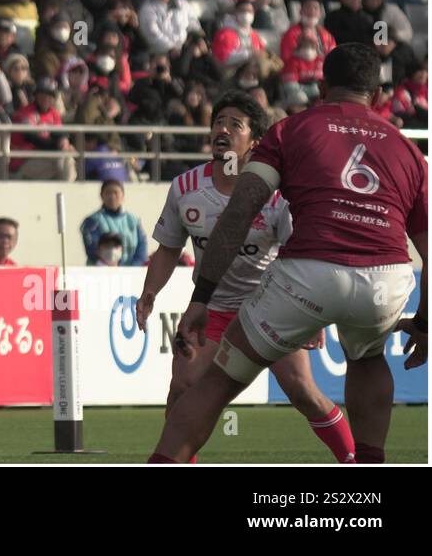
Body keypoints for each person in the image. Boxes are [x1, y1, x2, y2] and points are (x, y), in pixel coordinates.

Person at [151, 44, 428, 464]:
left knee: (217, 382)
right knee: (368, 358)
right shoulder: (408, 150)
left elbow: (240, 211)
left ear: (321, 87)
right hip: (385, 277)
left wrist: (201, 295)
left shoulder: (291, 130)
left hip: (309, 273)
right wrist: (425, 320)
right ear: (377, 95)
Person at [139, 90, 355, 461]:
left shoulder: (274, 194)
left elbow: (299, 251)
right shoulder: (185, 188)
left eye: (234, 124)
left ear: (254, 141)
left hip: (270, 307)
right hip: (213, 308)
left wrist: (311, 314)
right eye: (218, 122)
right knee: (183, 388)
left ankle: (354, 460)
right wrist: (149, 293)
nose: (222, 129)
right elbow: (169, 249)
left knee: (302, 390)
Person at [80, 180, 149, 266]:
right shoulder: (92, 220)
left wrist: (133, 268)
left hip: (131, 273)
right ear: (101, 196)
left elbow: (142, 248)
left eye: (116, 193)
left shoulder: (134, 221)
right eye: (108, 193)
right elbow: (92, 249)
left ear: (123, 196)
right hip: (100, 271)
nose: (112, 196)